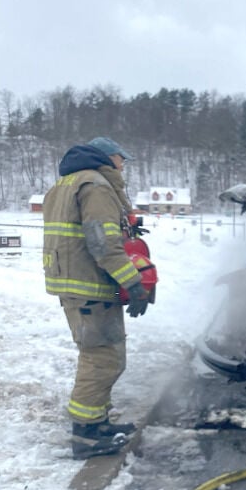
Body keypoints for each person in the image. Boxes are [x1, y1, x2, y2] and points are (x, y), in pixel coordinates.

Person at [43, 136, 152, 460]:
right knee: (101, 359)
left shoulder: (66, 183)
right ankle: (87, 436)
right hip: (90, 284)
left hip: (75, 282)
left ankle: (98, 422)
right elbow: (102, 243)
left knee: (104, 356)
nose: (124, 165)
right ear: (108, 158)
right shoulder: (97, 185)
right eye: (122, 159)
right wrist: (133, 283)